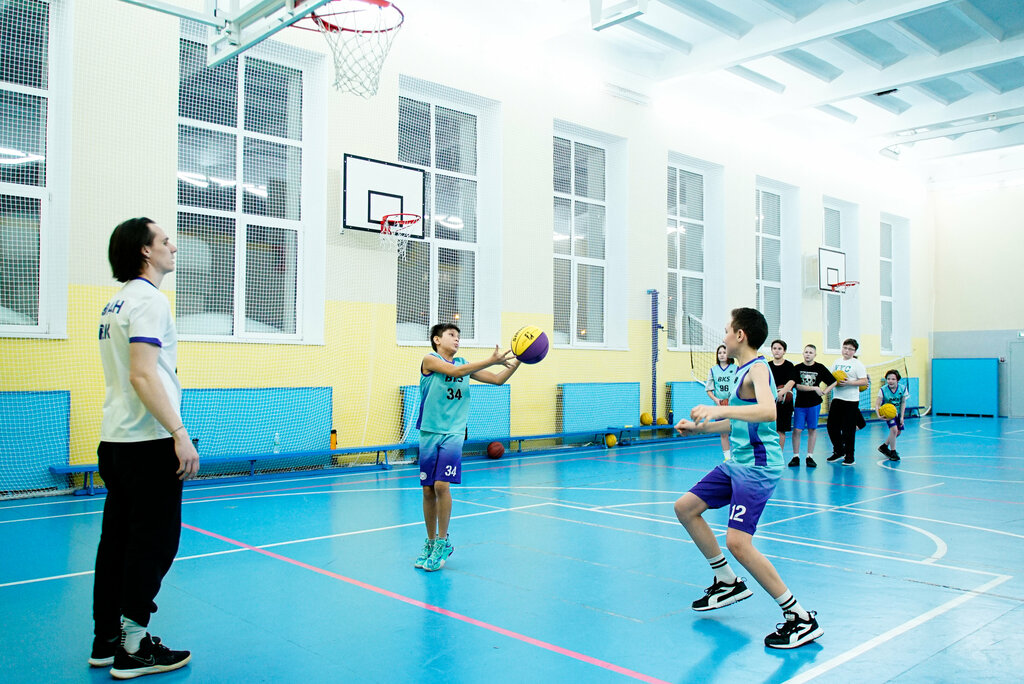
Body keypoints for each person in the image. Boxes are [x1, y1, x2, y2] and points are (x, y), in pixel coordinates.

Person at [673, 308, 822, 649]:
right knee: (685, 508)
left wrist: (720, 409)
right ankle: (727, 581)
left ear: (740, 336)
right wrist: (700, 427)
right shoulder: (743, 372)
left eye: (727, 330)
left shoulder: (757, 368)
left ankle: (800, 617)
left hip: (758, 466)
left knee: (739, 543)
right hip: (738, 462)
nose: (724, 336)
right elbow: (740, 423)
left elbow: (769, 411)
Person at [92, 218, 198, 678]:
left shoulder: (114, 303)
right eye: (164, 241)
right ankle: (134, 647)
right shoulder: (150, 300)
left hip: (114, 440)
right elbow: (142, 373)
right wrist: (179, 432)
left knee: (115, 543)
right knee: (154, 544)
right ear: (145, 252)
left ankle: (106, 640)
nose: (172, 247)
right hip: (148, 441)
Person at [415, 323, 520, 572]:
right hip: (429, 432)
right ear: (437, 339)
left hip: (453, 432)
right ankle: (430, 543)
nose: (457, 339)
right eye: (452, 335)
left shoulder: (463, 362)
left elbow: (496, 379)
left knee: (441, 485)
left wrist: (520, 360)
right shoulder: (429, 360)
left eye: (459, 336)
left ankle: (443, 542)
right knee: (428, 490)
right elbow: (458, 370)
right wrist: (490, 359)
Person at [825, 338, 869, 466]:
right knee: (831, 427)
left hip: (851, 401)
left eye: (850, 349)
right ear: (842, 348)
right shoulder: (836, 362)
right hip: (837, 399)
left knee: (848, 430)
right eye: (845, 348)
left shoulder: (857, 364)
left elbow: (864, 381)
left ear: (854, 351)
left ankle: (850, 456)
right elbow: (832, 378)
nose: (847, 351)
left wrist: (849, 382)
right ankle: (838, 451)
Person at [790, 345, 835, 468]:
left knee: (812, 429)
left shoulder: (819, 367)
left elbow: (833, 381)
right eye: (806, 352)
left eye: (811, 352)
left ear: (815, 355)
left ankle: (810, 456)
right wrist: (814, 388)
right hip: (800, 404)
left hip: (814, 404)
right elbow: (797, 385)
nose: (808, 354)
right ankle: (795, 456)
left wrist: (824, 392)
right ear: (803, 353)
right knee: (797, 430)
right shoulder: (798, 368)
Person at [705, 344, 737, 461]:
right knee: (723, 433)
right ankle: (727, 458)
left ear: (728, 354)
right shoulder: (713, 370)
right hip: (720, 407)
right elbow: (709, 390)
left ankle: (738, 457)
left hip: (734, 406)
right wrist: (716, 400)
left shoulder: (735, 368)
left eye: (724, 352)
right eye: (719, 353)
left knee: (737, 432)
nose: (722, 355)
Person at [768, 340, 797, 454]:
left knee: (781, 430)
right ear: (771, 350)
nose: (777, 351)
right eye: (774, 348)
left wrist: (781, 393)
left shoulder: (789, 365)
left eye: (780, 349)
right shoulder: (768, 365)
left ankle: (778, 456)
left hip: (784, 403)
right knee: (769, 430)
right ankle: (770, 455)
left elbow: (791, 381)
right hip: (770, 402)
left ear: (784, 351)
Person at [876, 370, 909, 461]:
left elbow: (903, 402)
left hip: (897, 412)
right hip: (888, 414)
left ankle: (884, 446)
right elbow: (877, 404)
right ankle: (893, 452)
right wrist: (879, 415)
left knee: (897, 432)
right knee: (894, 430)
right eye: (888, 379)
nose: (890, 381)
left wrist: (902, 417)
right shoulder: (883, 390)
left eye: (893, 379)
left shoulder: (902, 388)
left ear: (897, 380)